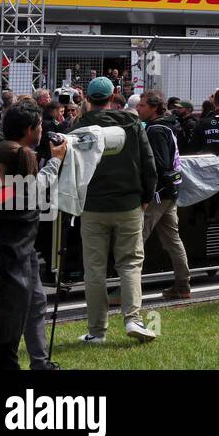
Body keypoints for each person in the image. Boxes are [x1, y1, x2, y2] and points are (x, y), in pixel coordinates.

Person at [0, 103, 66, 370]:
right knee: (7, 348)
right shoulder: (24, 191)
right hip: (16, 279)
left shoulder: (3, 193)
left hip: (1, 280)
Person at [74, 77, 158, 343]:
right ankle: (133, 319)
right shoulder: (133, 123)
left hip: (93, 206)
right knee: (130, 264)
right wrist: (145, 197)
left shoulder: (79, 126)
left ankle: (97, 331)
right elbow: (148, 163)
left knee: (95, 269)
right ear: (114, 95)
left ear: (88, 97)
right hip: (128, 204)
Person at [137, 91, 192, 300]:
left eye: (142, 105)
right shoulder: (167, 124)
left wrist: (147, 193)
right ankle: (182, 284)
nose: (138, 108)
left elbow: (158, 165)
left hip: (158, 193)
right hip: (170, 190)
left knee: (136, 240)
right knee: (172, 239)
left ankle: (128, 290)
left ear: (154, 108)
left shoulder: (156, 130)